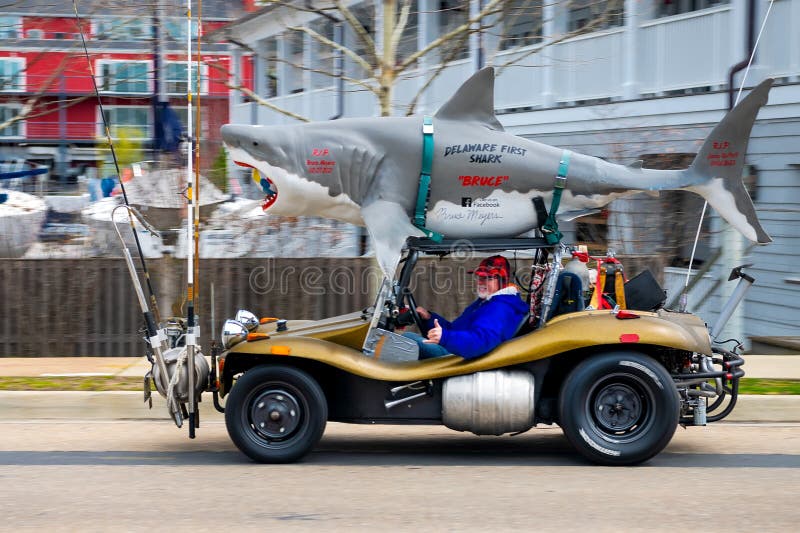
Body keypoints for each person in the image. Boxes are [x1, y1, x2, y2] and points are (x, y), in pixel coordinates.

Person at [403, 255, 528, 360]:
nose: (481, 282)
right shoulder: (485, 302)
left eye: (488, 278)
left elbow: (480, 341)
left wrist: (445, 337)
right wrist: (428, 318)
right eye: (479, 277)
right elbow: (455, 329)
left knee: (407, 340)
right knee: (407, 339)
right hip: (460, 351)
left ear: (502, 280)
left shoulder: (500, 308)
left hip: (464, 359)